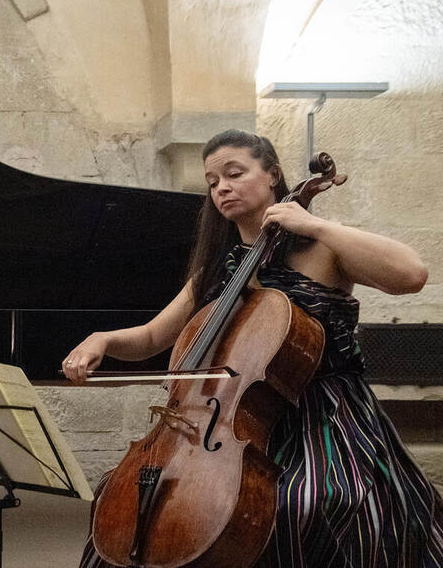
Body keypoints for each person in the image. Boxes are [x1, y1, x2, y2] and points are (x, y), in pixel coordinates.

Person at [63, 129, 442, 567]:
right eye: (212, 181)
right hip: (229, 422)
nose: (221, 187)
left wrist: (314, 223)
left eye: (234, 173)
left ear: (273, 175)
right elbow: (151, 338)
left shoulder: (323, 250)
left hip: (324, 419)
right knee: (131, 504)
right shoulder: (217, 269)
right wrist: (102, 340)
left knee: (300, 506)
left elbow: (411, 275)